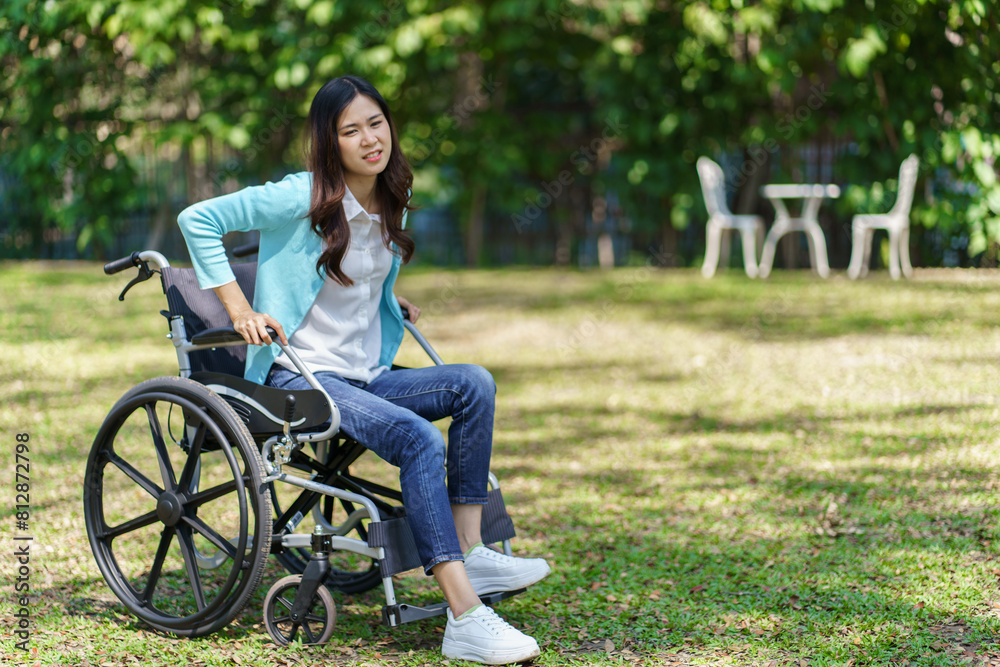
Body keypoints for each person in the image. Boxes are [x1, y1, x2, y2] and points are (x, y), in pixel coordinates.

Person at [177, 75, 550, 665]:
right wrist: (240, 309)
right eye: (351, 131)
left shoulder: (392, 192)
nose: (369, 139)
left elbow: (349, 275)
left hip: (363, 373)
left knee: (474, 383)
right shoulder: (300, 195)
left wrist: (385, 300)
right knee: (419, 439)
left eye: (376, 123)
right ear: (330, 143)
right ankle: (465, 617)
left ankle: (472, 550)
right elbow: (197, 219)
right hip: (301, 377)